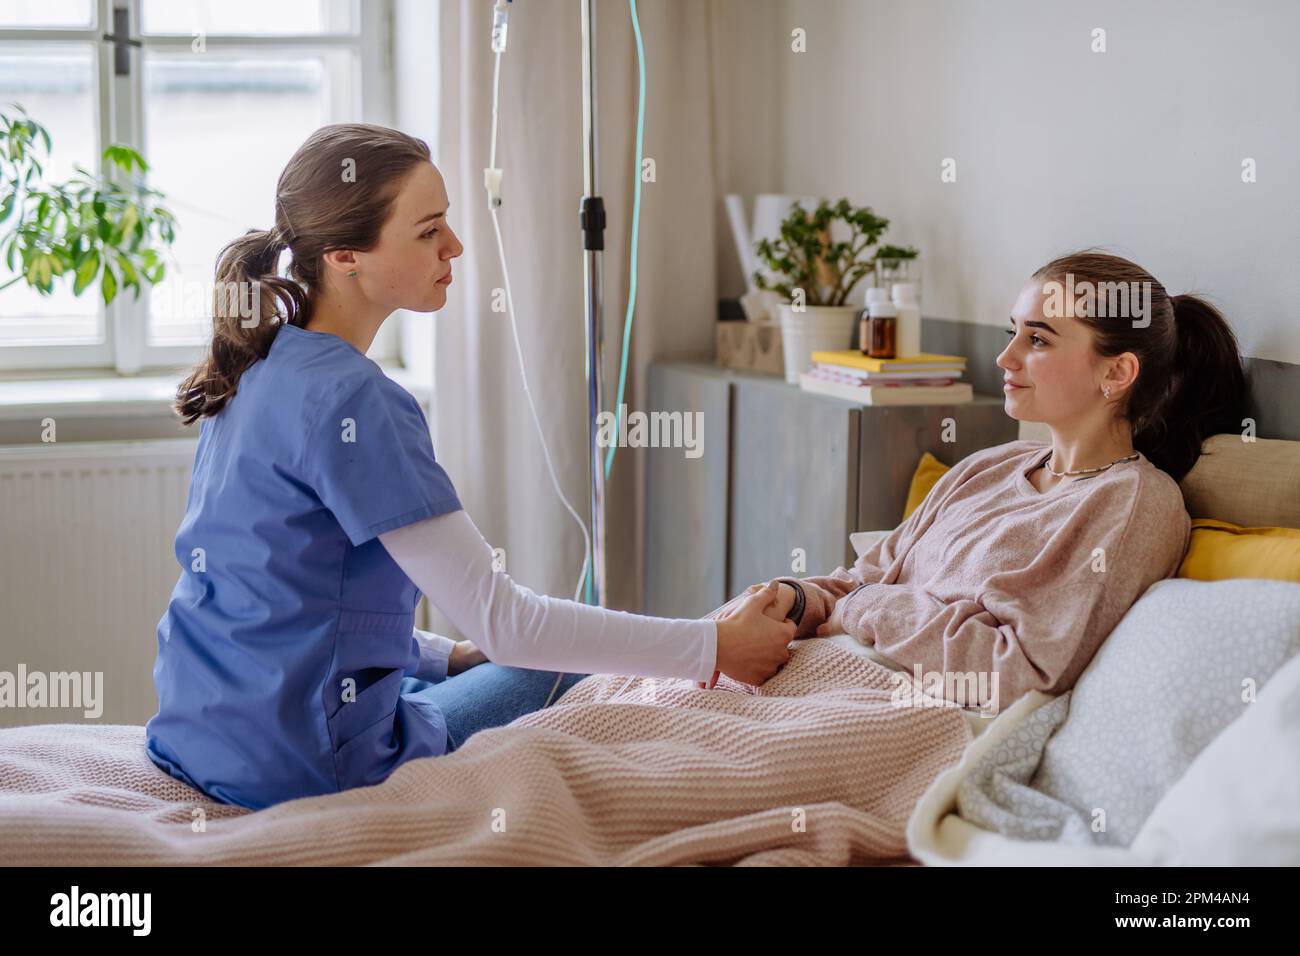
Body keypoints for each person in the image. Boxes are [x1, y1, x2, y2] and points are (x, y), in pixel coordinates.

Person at [144, 123, 795, 811]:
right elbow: (506, 624)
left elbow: (279, 597)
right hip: (305, 769)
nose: (455, 246)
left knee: (485, 661)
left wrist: (444, 658)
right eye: (428, 231)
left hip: (202, 738)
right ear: (344, 255)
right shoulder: (358, 400)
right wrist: (714, 646)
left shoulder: (255, 366)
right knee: (564, 671)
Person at [743, 250, 1249, 712]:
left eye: (1037, 339)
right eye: (1013, 332)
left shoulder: (1132, 503)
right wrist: (791, 599)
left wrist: (867, 609)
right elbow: (867, 580)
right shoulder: (992, 466)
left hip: (900, 718)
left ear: (1116, 374)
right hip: (816, 679)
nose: (1005, 358)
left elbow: (1021, 675)